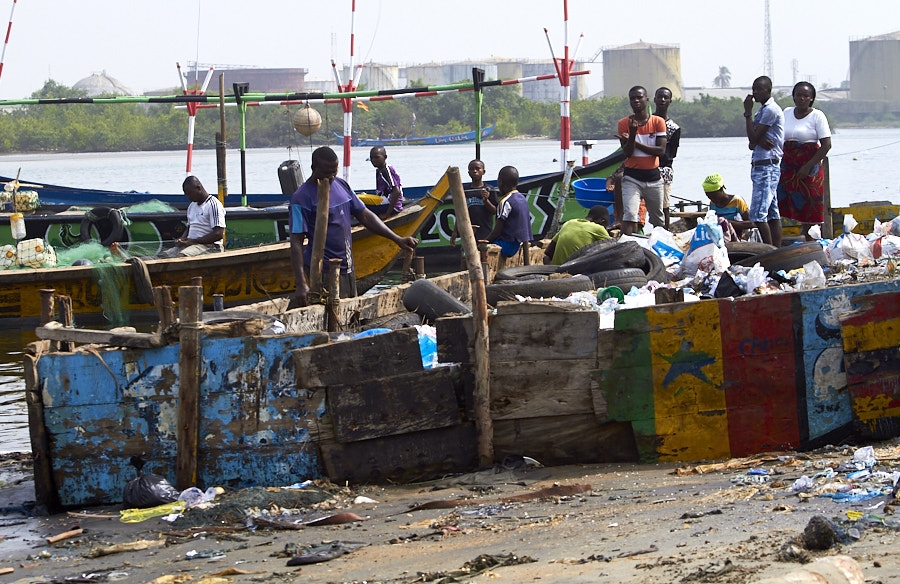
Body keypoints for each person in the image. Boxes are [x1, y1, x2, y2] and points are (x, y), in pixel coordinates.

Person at [290, 146, 418, 308]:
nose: (330, 176)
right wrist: (301, 283)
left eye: (334, 171)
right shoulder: (301, 198)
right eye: (326, 172)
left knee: (350, 311)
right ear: (314, 168)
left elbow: (364, 215)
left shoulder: (342, 185)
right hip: (323, 271)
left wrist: (397, 238)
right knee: (332, 316)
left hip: (348, 266)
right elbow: (296, 241)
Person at [777, 82, 833, 240]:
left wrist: (808, 167)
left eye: (805, 96)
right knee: (782, 206)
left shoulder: (817, 116)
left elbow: (826, 145)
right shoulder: (786, 112)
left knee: (810, 208)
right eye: (798, 95)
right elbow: (779, 137)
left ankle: (812, 243)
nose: (801, 98)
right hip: (787, 167)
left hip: (809, 168)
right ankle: (783, 243)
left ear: (811, 98)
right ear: (793, 96)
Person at [617, 85, 668, 236]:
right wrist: (632, 133)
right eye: (633, 98)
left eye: (639, 97)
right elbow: (628, 153)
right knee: (630, 216)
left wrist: (635, 141)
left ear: (647, 100)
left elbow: (660, 151)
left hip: (653, 178)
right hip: (632, 177)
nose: (636, 100)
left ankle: (661, 249)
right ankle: (626, 248)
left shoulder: (658, 122)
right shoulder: (623, 124)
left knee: (658, 219)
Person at [744, 75, 785, 248]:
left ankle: (769, 251)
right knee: (772, 213)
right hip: (764, 165)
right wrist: (756, 138)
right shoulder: (763, 110)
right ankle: (776, 248)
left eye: (759, 89)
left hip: (766, 167)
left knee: (758, 214)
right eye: (754, 89)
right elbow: (752, 143)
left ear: (769, 90)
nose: (755, 93)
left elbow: (752, 136)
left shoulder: (770, 110)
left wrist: (747, 113)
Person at [157, 175, 225, 258]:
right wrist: (182, 239)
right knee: (163, 256)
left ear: (199, 188)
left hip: (209, 246)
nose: (189, 197)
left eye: (190, 194)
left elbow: (218, 234)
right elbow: (190, 227)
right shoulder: (192, 206)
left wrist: (194, 241)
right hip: (191, 244)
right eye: (187, 195)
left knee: (180, 257)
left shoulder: (213, 204)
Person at [482, 165, 532, 258]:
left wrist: (483, 242)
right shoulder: (522, 198)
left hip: (506, 246)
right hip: (516, 244)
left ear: (500, 182)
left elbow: (497, 232)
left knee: (480, 250)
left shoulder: (505, 201)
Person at [449, 159, 499, 247]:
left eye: (478, 168)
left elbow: (495, 211)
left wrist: (486, 200)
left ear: (483, 171)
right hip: (468, 233)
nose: (475, 171)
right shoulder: (464, 190)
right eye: (472, 169)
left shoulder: (489, 189)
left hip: (485, 233)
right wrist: (455, 231)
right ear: (468, 173)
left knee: (484, 257)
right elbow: (460, 212)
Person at [543, 205, 611, 265]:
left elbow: (548, 252)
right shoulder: (598, 228)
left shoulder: (569, 223)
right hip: (576, 271)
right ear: (603, 221)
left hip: (557, 269)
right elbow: (614, 249)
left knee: (546, 258)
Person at [654, 87, 681, 229]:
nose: (662, 100)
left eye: (665, 98)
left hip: (664, 169)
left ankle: (664, 232)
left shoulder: (674, 128)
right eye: (660, 97)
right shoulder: (648, 122)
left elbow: (673, 153)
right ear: (654, 99)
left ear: (670, 101)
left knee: (664, 205)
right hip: (646, 166)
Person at [701, 173, 754, 240]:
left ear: (721, 189)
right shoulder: (712, 203)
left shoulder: (737, 201)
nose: (712, 199)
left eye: (714, 196)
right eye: (709, 196)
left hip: (735, 235)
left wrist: (728, 223)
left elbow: (751, 223)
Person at [369, 145, 403, 219]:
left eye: (377, 157)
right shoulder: (379, 170)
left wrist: (387, 214)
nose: (373, 160)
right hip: (384, 201)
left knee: (357, 203)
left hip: (392, 206)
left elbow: (396, 191)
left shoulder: (386, 170)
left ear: (385, 157)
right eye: (371, 158)